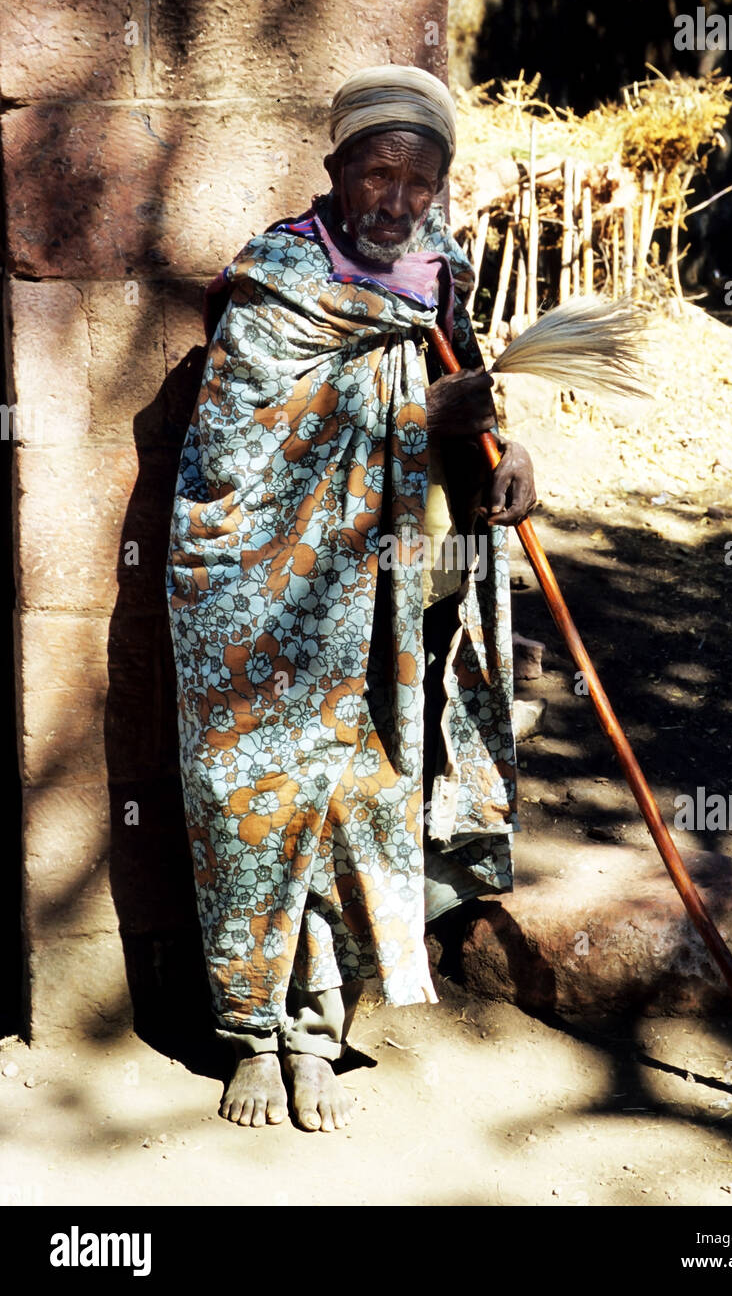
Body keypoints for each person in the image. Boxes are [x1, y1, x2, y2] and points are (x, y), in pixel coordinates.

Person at [165, 65, 536, 1132]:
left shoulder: (441, 275)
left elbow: (473, 410)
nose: (399, 201)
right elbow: (239, 450)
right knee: (254, 802)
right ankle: (250, 1033)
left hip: (392, 596)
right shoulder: (278, 281)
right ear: (333, 169)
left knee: (361, 798)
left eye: (421, 182)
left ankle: (319, 1031)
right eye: (379, 174)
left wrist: (507, 459)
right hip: (266, 603)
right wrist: (419, 416)